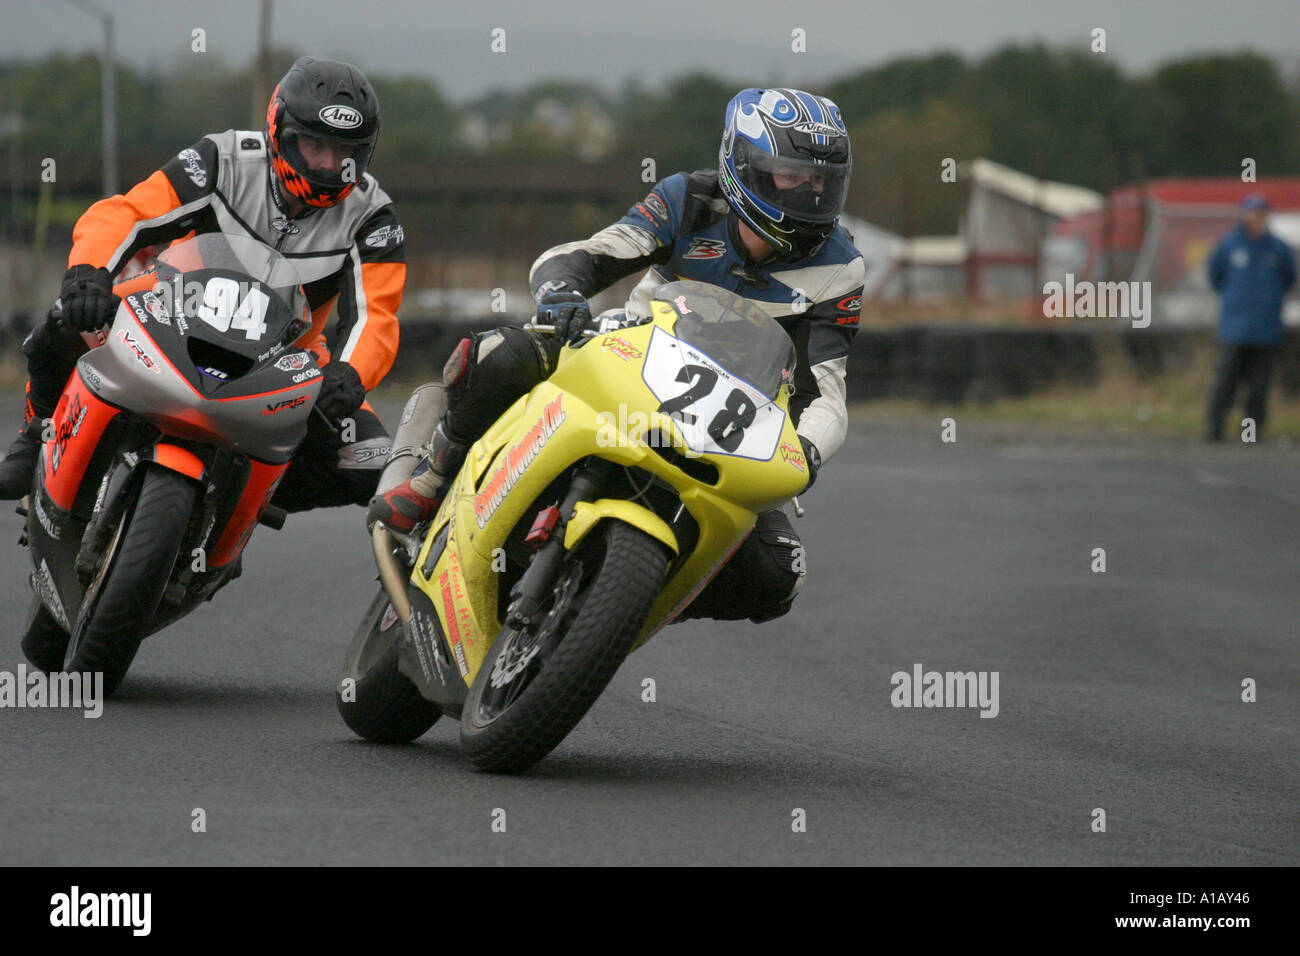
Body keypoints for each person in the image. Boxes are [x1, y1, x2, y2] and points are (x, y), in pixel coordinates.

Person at [369, 88, 864, 623]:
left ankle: (625, 604)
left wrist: (806, 453)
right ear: (741, 164)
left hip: (731, 425)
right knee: (500, 354)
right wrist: (561, 294)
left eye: (822, 182)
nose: (810, 196)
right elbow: (587, 254)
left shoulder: (841, 268)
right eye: (791, 176)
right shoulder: (691, 199)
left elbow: (826, 391)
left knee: (778, 576)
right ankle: (433, 479)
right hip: (630, 353)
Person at [0, 56, 405, 511]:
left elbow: (376, 315)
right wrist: (88, 273)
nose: (331, 164)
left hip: (285, 362)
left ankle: (237, 504)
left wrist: (350, 376)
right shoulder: (221, 159)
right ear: (280, 131)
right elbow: (128, 213)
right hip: (171, 312)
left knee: (370, 461)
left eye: (346, 152)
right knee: (66, 319)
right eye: (314, 144)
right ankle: (35, 437)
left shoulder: (374, 217)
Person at [1205, 193, 1296, 441]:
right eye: (1254, 213)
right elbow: (1215, 276)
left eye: (1263, 213)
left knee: (1259, 384)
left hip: (1266, 329)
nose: (1258, 218)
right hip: (1235, 328)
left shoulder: (1277, 248)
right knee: (1227, 379)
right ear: (1244, 214)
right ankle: (1215, 427)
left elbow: (1289, 278)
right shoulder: (1229, 245)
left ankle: (1252, 431)